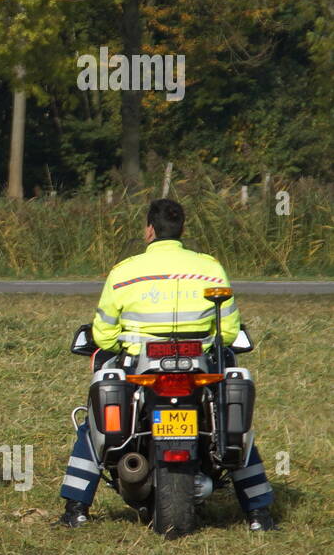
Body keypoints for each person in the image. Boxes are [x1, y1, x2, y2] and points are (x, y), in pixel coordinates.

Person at [58, 199, 276, 530]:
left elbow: (103, 335)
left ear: (149, 230)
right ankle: (258, 514)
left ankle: (76, 510)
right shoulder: (210, 268)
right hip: (199, 366)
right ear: (181, 230)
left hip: (140, 366)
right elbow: (229, 331)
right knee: (232, 427)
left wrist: (121, 345)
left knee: (94, 425)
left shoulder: (123, 272)